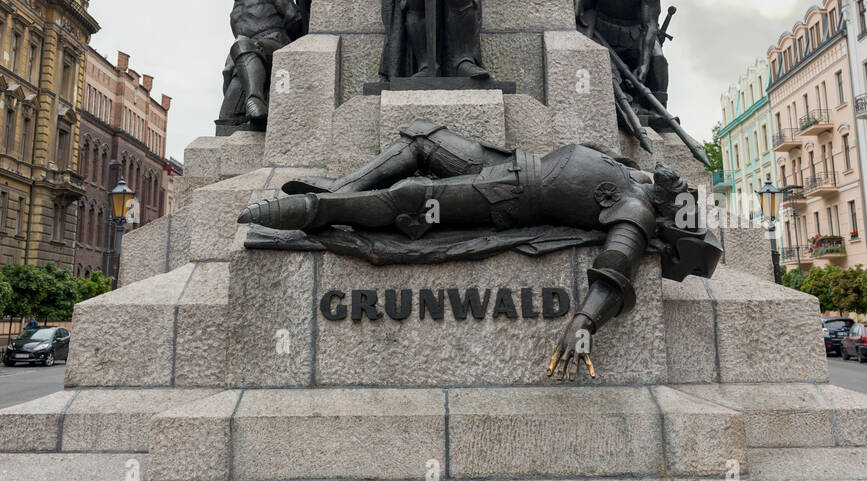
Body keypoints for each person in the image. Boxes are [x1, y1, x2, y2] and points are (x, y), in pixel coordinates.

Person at [239, 119, 722, 379]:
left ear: (666, 220)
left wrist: (584, 322)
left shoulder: (635, 211)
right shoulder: (637, 174)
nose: (676, 182)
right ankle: (341, 191)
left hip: (509, 197)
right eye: (682, 193)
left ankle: (315, 210)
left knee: (413, 198)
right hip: (507, 161)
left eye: (680, 198)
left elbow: (614, 270)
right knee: (425, 137)